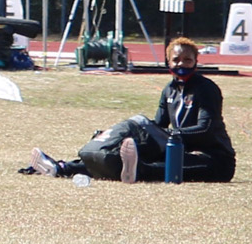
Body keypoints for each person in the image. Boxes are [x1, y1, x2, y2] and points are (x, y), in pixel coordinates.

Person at [28, 37, 235, 183]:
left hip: (214, 159)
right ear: (168, 62)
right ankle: (63, 167)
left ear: (196, 62)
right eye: (176, 60)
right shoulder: (169, 89)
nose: (181, 64)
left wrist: (172, 136)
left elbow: (205, 129)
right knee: (130, 149)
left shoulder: (206, 89)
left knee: (158, 165)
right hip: (179, 148)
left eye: (187, 60)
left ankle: (136, 171)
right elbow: (159, 126)